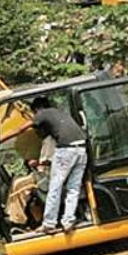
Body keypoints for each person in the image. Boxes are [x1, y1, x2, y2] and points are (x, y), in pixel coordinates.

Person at [28, 96, 87, 233]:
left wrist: (0, 139)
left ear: (37, 109)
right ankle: (68, 221)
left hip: (66, 150)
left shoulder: (42, 113)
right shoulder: (60, 113)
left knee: (54, 186)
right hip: (81, 149)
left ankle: (49, 223)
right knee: (73, 187)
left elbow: (22, 128)